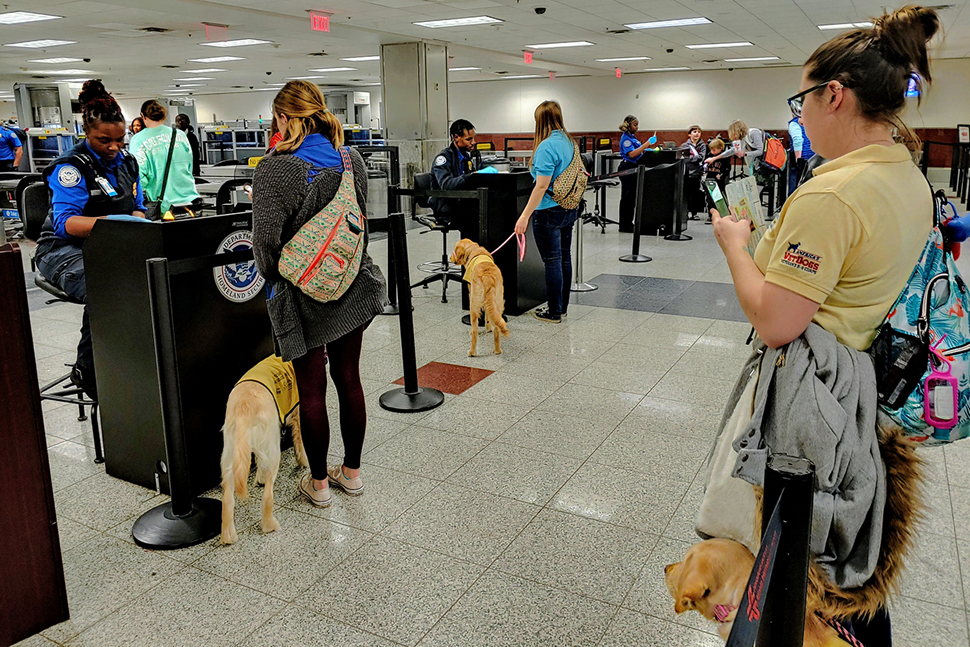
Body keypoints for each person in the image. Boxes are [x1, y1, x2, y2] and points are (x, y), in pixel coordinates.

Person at [700, 6, 940, 645]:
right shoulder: (907, 178)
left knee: (806, 564)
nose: (800, 112)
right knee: (849, 561)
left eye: (802, 97)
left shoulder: (832, 196)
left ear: (834, 94)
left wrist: (733, 244)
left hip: (815, 409)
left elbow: (777, 321)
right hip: (864, 395)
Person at [251, 80, 387, 508]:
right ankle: (352, 474)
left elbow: (264, 245)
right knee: (349, 379)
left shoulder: (275, 167)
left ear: (284, 118)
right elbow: (359, 222)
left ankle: (319, 485)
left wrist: (280, 276)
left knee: (310, 390)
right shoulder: (352, 159)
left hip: (302, 295)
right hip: (353, 285)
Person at [33, 80, 145, 399]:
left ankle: (138, 360)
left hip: (113, 244)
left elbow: (138, 206)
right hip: (63, 250)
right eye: (103, 140)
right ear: (87, 133)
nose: (113, 147)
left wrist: (137, 219)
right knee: (107, 287)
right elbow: (67, 223)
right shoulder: (71, 167)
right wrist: (114, 222)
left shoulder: (128, 163)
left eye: (120, 140)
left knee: (153, 279)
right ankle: (89, 369)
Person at [514, 100, 581, 323]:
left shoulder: (546, 147)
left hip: (548, 211)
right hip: (569, 206)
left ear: (539, 121)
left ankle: (553, 312)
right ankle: (561, 307)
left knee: (552, 261)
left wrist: (524, 216)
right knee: (564, 257)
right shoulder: (569, 141)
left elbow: (541, 185)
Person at [129, 100, 200, 218]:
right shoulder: (179, 134)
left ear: (143, 116)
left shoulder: (138, 139)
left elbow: (139, 175)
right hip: (189, 200)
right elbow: (189, 165)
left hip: (164, 206)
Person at [429, 118, 481, 226]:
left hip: (463, 204)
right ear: (456, 138)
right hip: (446, 208)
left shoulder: (466, 157)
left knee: (488, 212)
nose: (473, 142)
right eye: (469, 139)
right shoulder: (443, 159)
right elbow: (446, 185)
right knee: (478, 219)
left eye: (473, 138)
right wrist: (471, 176)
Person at [616, 115, 656, 233]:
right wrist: (647, 144)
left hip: (635, 168)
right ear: (628, 126)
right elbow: (632, 154)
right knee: (627, 198)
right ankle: (624, 225)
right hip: (628, 168)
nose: (637, 127)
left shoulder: (632, 138)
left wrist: (647, 150)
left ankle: (630, 222)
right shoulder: (626, 139)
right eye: (635, 125)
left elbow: (639, 150)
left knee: (632, 198)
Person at [683, 124, 708, 220]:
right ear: (689, 134)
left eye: (699, 132)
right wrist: (694, 158)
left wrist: (692, 158)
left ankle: (694, 213)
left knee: (695, 194)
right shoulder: (685, 145)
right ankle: (685, 212)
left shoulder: (702, 145)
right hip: (687, 172)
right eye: (694, 132)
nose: (697, 134)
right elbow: (685, 158)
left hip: (697, 172)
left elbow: (701, 157)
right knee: (686, 194)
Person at [703, 138, 730, 224]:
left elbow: (727, 168)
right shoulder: (709, 155)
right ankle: (711, 216)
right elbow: (705, 165)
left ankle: (722, 215)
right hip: (710, 178)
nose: (712, 152)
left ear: (721, 148)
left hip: (719, 181)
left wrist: (721, 174)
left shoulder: (724, 157)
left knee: (719, 198)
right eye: (711, 150)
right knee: (709, 198)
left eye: (714, 150)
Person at [788, 113, 815, 193]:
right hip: (814, 157)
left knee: (796, 187)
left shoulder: (795, 123)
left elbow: (798, 140)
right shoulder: (812, 122)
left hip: (803, 158)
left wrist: (798, 160)